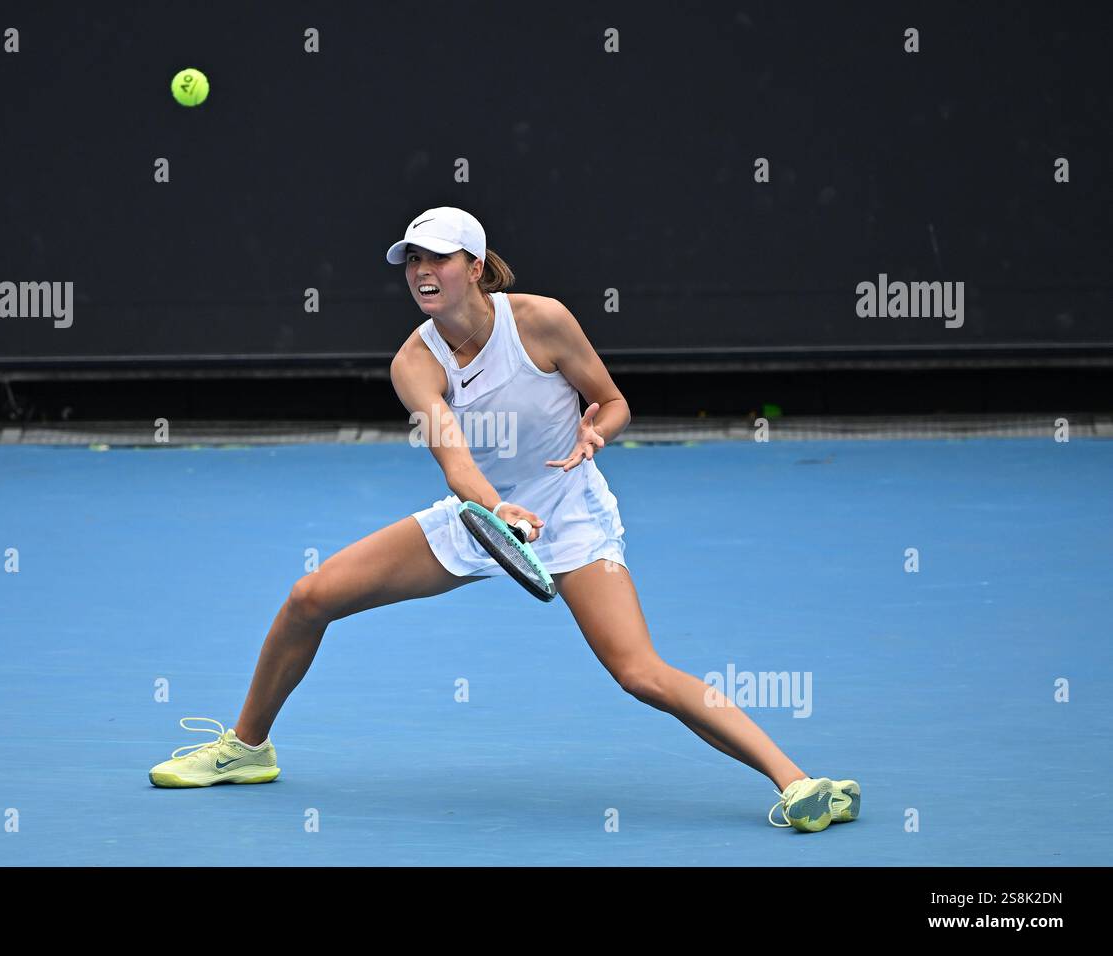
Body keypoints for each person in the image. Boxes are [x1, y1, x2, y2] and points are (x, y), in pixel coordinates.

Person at [147, 207, 860, 833]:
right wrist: (494, 511)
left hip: (571, 517)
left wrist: (596, 434)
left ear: (476, 267)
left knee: (639, 673)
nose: (421, 271)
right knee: (310, 598)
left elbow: (612, 401)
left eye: (437, 258)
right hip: (479, 514)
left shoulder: (542, 321)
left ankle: (798, 782)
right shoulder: (412, 363)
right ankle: (247, 748)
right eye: (412, 260)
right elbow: (455, 464)